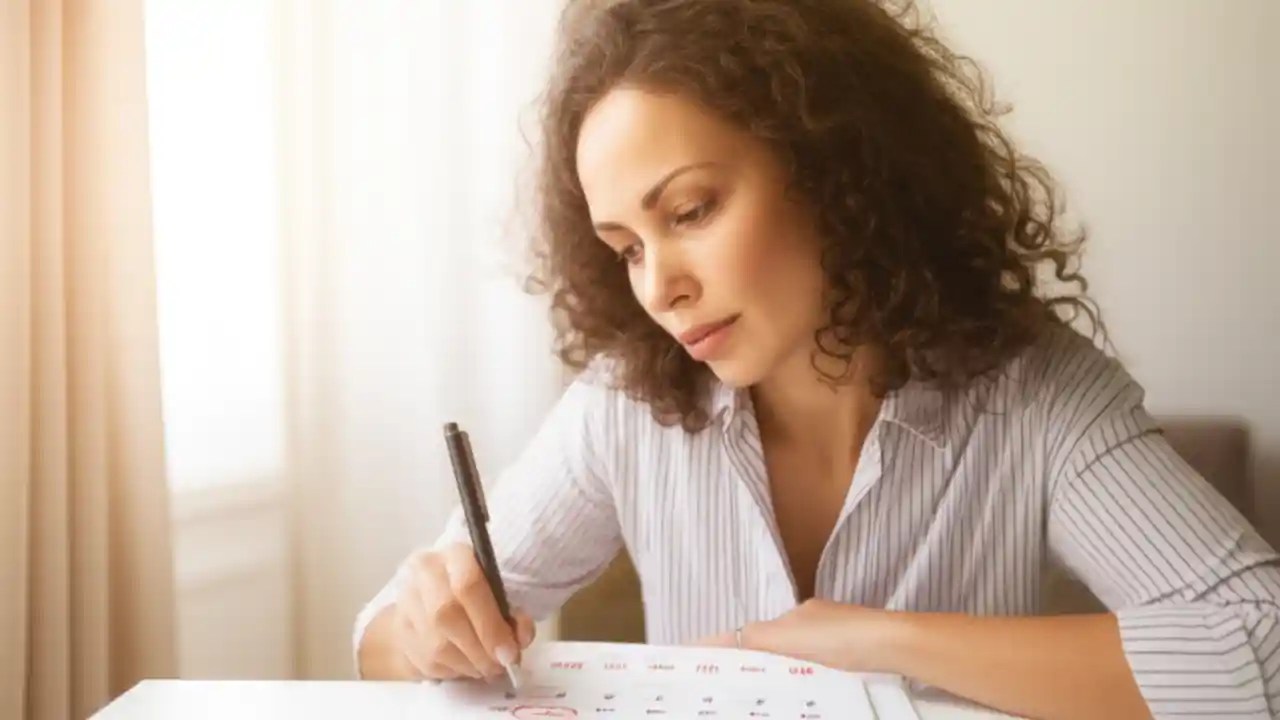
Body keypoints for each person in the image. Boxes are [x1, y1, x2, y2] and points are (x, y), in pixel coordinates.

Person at [354, 1, 1280, 717]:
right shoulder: (625, 406)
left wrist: (874, 641)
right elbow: (378, 645)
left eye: (690, 211)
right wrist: (429, 625)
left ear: (834, 166)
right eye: (628, 246)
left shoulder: (1035, 390)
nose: (658, 287)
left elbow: (1262, 647)